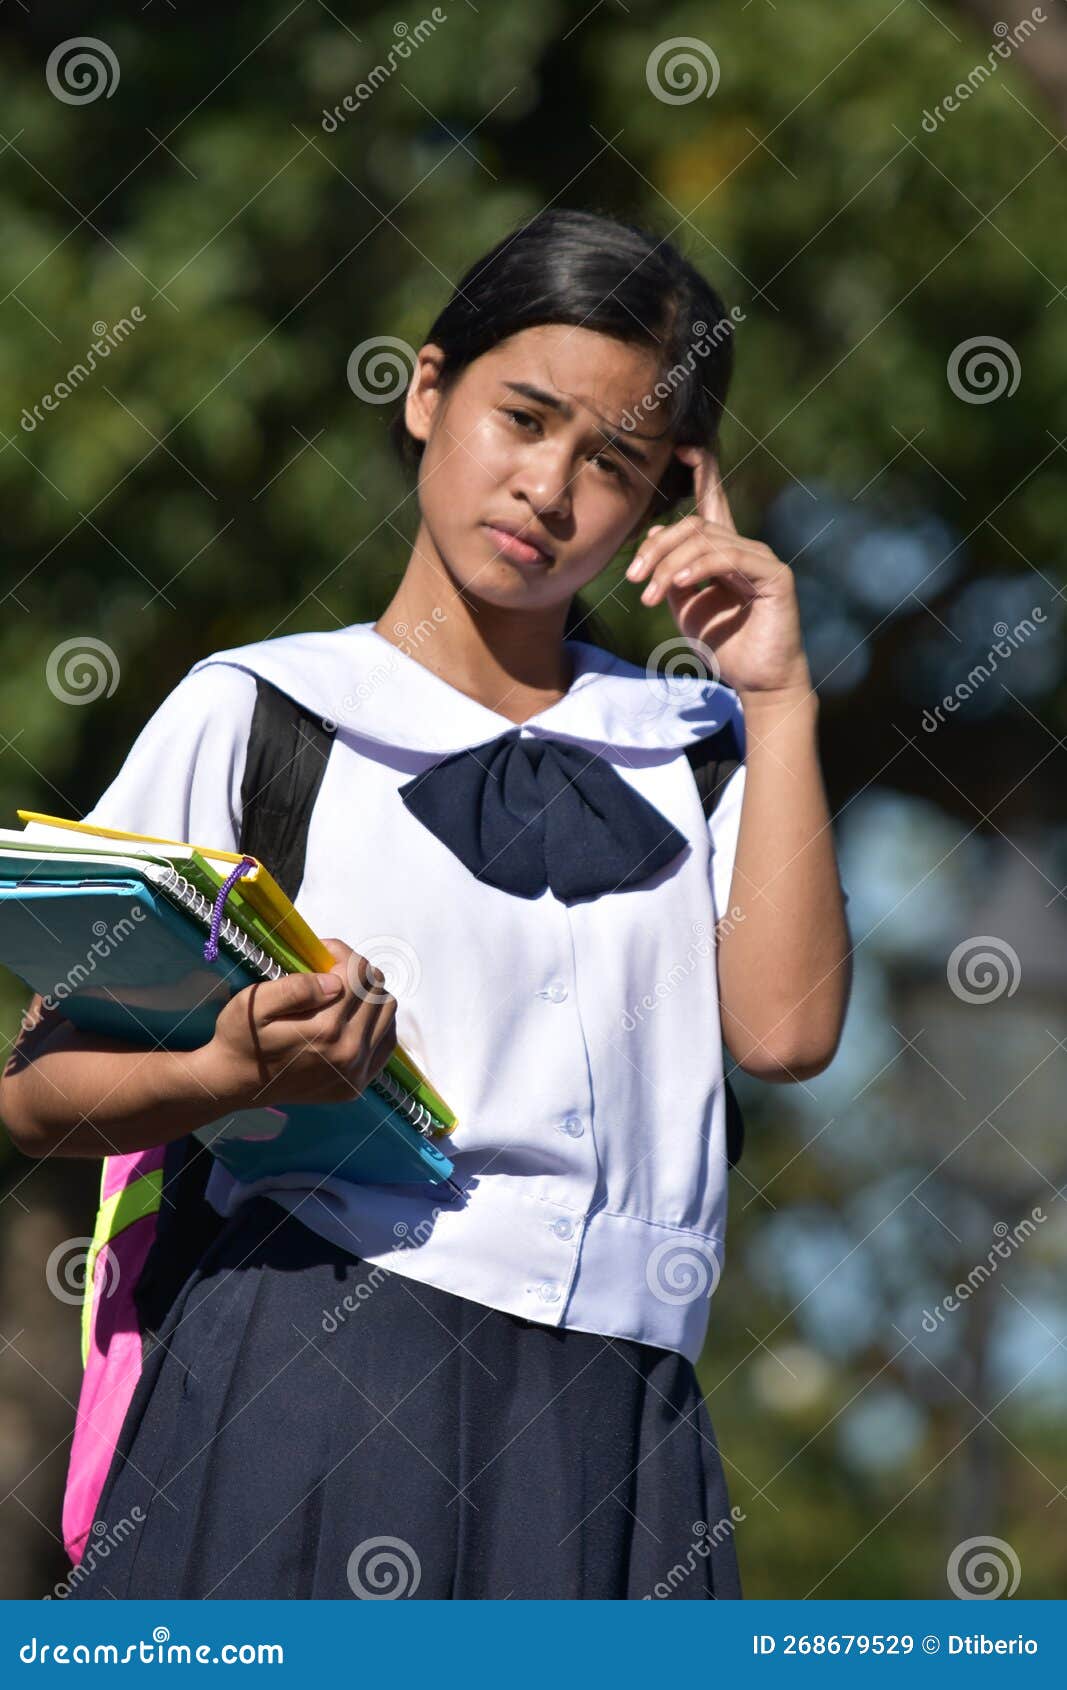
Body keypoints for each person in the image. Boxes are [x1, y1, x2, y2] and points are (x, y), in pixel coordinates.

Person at [0, 207, 851, 1599]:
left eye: (615, 462)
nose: (549, 488)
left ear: (669, 495)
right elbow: (36, 1088)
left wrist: (784, 692)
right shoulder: (264, 712)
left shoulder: (706, 748)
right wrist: (225, 1068)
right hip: (308, 1380)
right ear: (428, 387)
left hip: (623, 1430)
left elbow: (787, 1033)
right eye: (523, 416)